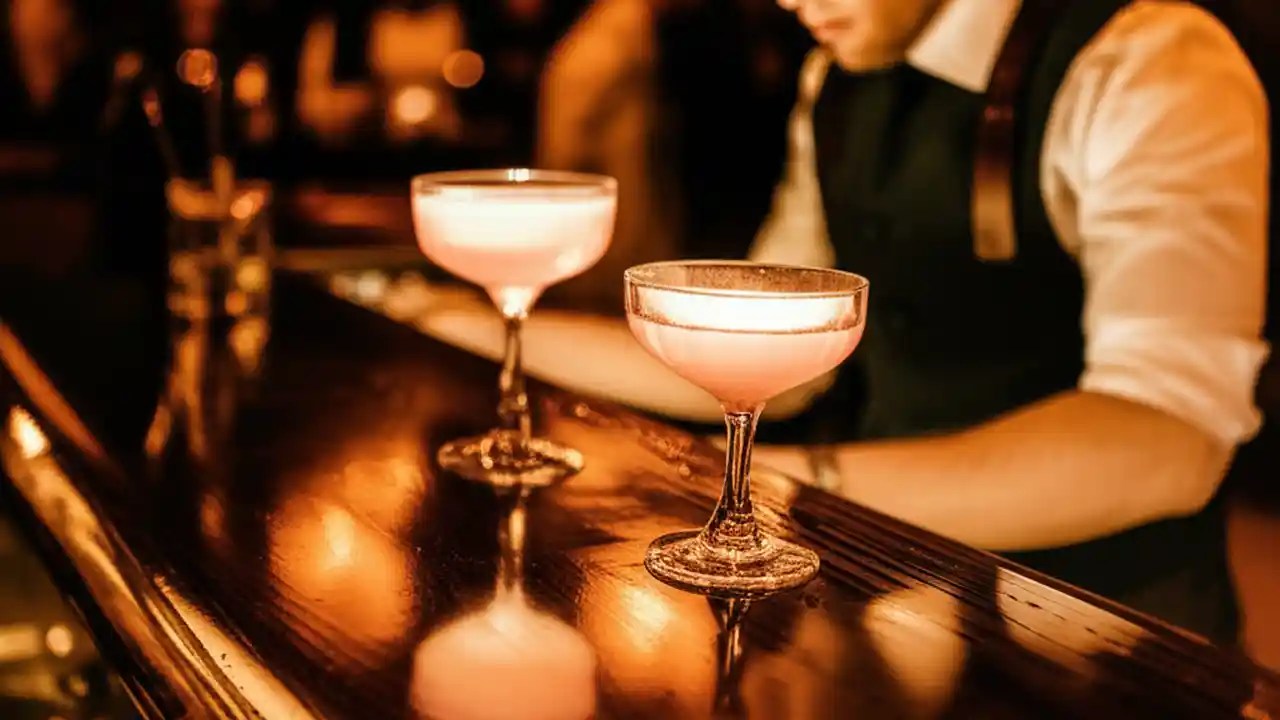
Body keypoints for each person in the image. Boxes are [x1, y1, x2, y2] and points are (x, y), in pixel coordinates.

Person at [422, 0, 1270, 644]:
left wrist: (769, 487)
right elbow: (774, 345)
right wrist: (458, 317)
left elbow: (1169, 444)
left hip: (1101, 631)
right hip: (887, 603)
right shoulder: (835, 78)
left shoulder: (1150, 60)